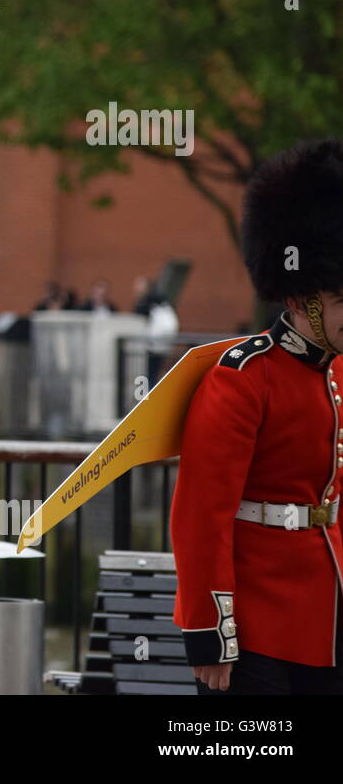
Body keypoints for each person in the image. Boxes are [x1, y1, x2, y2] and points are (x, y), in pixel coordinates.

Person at [173, 139, 343, 694]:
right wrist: (210, 634)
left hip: (329, 621)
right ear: (297, 300)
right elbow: (202, 517)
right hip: (253, 632)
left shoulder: (339, 373)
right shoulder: (242, 377)